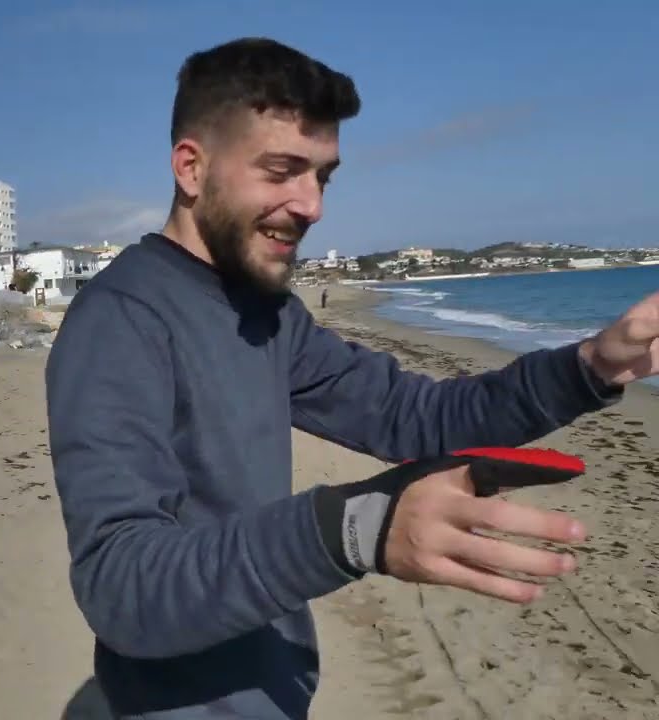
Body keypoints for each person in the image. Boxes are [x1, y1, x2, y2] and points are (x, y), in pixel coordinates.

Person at [44, 37, 659, 720]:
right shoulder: (121, 321)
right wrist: (353, 530)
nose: (312, 206)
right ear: (192, 168)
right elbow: (120, 588)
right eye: (282, 170)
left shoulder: (268, 315)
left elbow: (417, 417)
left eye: (323, 176)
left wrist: (590, 367)